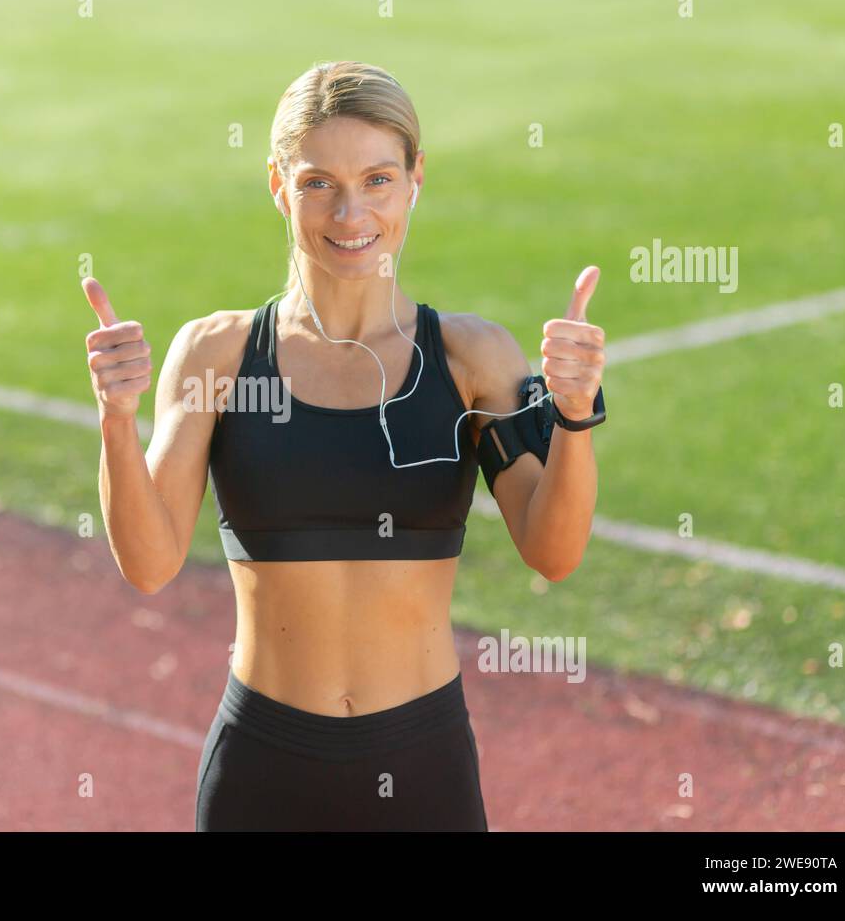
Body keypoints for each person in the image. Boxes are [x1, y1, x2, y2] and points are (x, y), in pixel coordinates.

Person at [82, 60, 606, 831]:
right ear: (277, 185)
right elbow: (149, 563)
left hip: (423, 763)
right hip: (263, 767)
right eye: (318, 182)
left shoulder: (473, 360)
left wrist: (574, 414)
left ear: (416, 178)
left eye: (377, 179)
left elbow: (552, 551)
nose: (350, 211)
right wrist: (116, 422)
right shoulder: (217, 356)